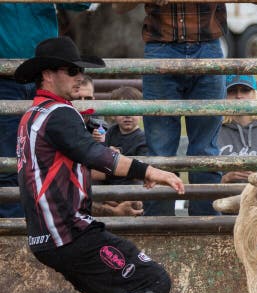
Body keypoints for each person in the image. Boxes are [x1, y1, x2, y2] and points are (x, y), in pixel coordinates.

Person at [14, 37, 185, 293]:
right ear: (48, 74)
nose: (79, 77)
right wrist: (150, 170)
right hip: (69, 232)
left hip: (47, 237)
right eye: (71, 70)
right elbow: (95, 156)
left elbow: (70, 163)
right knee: (154, 280)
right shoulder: (60, 115)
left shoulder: (33, 116)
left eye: (81, 71)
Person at [115, 1, 226, 217]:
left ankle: (206, 226)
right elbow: (117, 6)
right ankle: (159, 227)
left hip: (206, 43)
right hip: (161, 45)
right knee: (160, 149)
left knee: (204, 149)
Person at [0, 1, 90, 218]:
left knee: (52, 153)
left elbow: (82, 3)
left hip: (46, 74)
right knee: (8, 158)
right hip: (5, 77)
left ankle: (52, 221)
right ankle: (16, 227)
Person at [91, 86, 149, 216]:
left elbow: (140, 169)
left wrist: (117, 158)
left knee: (136, 191)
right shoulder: (110, 132)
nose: (127, 115)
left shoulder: (143, 139)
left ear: (141, 113)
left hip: (130, 186)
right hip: (108, 184)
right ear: (113, 114)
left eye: (132, 110)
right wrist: (105, 150)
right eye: (122, 110)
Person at [218, 74, 257, 184]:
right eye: (232, 91)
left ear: (255, 95)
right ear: (224, 96)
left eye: (245, 90)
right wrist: (226, 179)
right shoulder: (214, 131)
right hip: (227, 198)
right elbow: (204, 181)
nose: (239, 96)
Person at [76, 75, 108, 144]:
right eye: (78, 99)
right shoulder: (58, 126)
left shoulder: (101, 127)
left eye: (88, 99)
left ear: (93, 100)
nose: (83, 106)